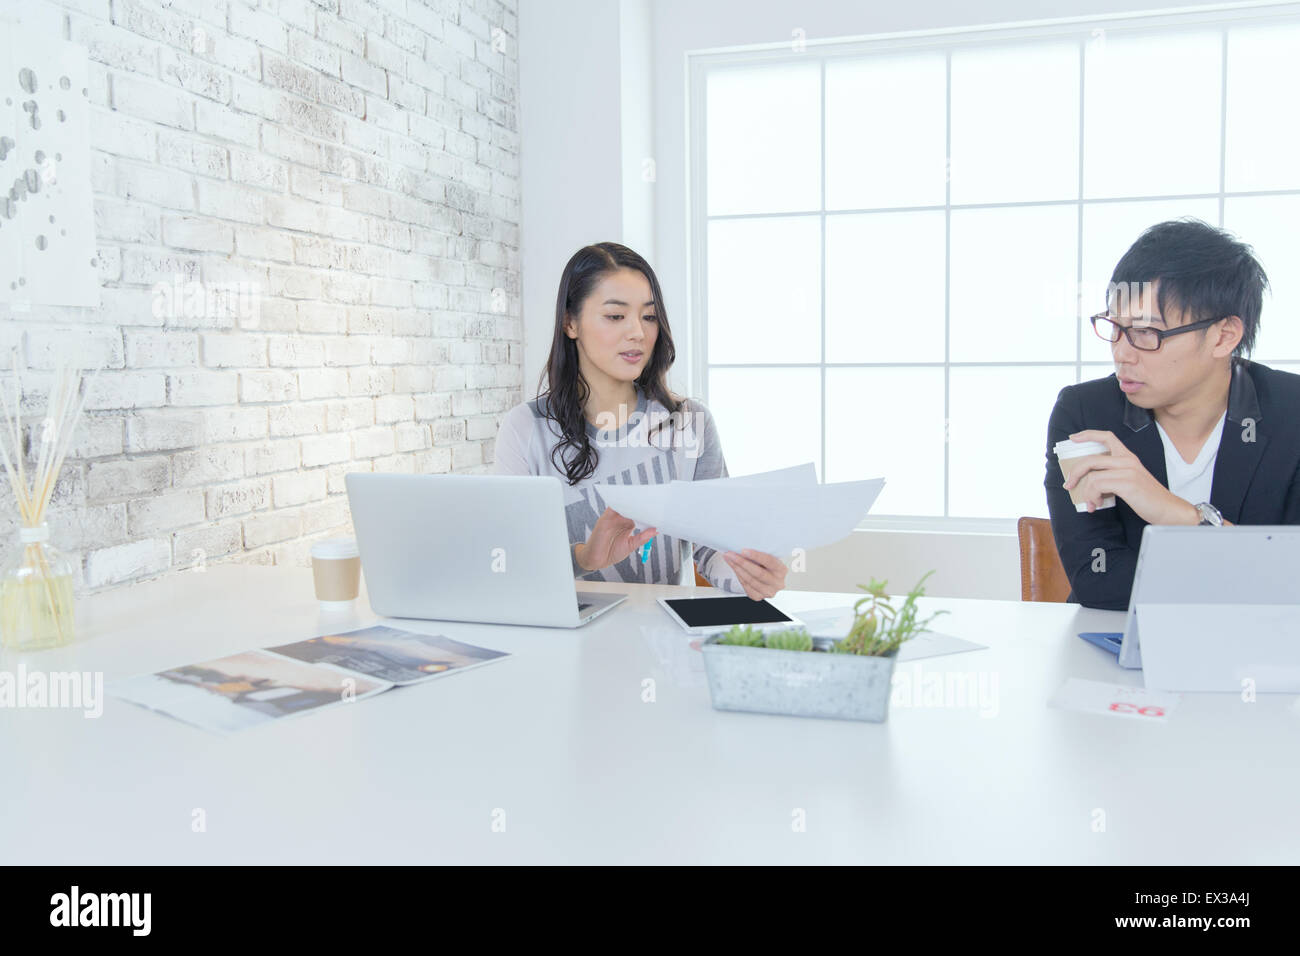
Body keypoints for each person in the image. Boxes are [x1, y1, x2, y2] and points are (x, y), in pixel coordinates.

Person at [494, 242, 789, 599]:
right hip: (567, 642)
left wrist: (748, 576)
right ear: (570, 322)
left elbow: (712, 549)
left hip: (664, 643)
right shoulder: (526, 429)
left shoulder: (690, 423)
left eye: (648, 316)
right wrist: (585, 556)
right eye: (616, 316)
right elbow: (512, 561)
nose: (637, 332)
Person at [1044, 219, 1300, 610]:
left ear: (1224, 335)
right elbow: (1101, 583)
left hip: (1263, 655)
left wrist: (1172, 512)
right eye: (1115, 327)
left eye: (1147, 333)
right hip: (1114, 651)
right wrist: (1249, 573)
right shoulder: (1085, 414)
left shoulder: (1291, 413)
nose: (1122, 353)